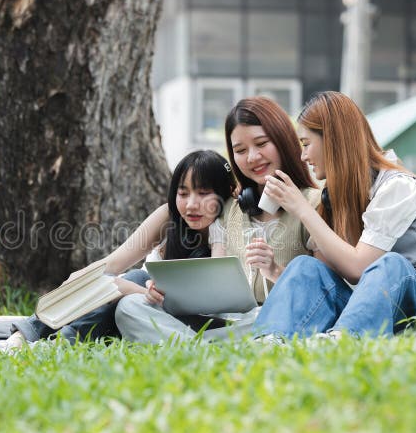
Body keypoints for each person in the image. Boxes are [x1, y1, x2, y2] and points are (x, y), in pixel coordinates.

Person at [252, 91, 416, 340]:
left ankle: (340, 341)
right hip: (377, 311)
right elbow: (321, 280)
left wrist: (302, 209)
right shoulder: (335, 197)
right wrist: (275, 271)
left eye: (306, 144)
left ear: (333, 140)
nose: (303, 156)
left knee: (392, 264)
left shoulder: (398, 186)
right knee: (304, 266)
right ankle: (267, 342)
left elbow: (359, 268)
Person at [115, 97, 320, 343]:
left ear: (283, 140)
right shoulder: (228, 208)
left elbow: (320, 291)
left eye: (261, 143)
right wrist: (160, 293)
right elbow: (213, 289)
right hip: (226, 320)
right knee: (129, 307)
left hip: (274, 316)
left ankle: (199, 347)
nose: (252, 157)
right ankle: (205, 348)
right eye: (240, 151)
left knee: (268, 323)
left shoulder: (313, 203)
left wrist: (275, 270)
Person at [0, 150, 236, 353]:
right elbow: (113, 263)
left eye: (203, 193)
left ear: (225, 195)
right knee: (104, 280)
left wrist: (218, 239)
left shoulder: (237, 226)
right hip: (140, 307)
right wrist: (82, 281)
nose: (191, 204)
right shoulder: (170, 216)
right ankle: (23, 338)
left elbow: (212, 300)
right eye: (183, 193)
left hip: (193, 321)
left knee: (131, 279)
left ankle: (54, 346)